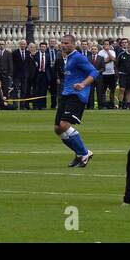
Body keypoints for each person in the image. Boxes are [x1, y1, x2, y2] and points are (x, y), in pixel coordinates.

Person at [54, 34, 97, 168]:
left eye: (66, 43)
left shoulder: (78, 57)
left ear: (73, 44)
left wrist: (83, 84)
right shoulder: (67, 58)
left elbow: (94, 72)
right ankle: (80, 154)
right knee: (57, 129)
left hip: (76, 96)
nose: (63, 45)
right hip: (66, 95)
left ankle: (84, 152)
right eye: (62, 43)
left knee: (64, 124)